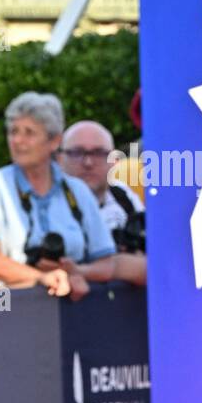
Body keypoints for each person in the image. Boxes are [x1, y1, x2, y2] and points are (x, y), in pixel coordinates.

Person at [0, 92, 120, 300]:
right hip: (9, 310)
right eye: (13, 131)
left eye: (29, 133)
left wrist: (75, 271)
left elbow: (107, 264)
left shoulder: (77, 191)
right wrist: (40, 277)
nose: (17, 140)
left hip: (72, 314)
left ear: (54, 141)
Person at [57, 120, 147, 287]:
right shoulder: (43, 203)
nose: (88, 163)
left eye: (99, 153)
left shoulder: (123, 196)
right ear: (59, 159)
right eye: (77, 152)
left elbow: (158, 264)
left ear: (115, 161)